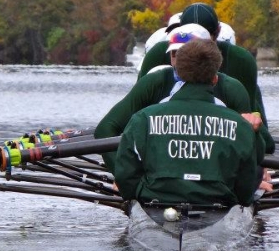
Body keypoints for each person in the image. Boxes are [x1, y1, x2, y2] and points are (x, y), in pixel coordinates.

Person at [96, 23, 266, 174]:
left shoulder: (232, 88)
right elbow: (105, 129)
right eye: (175, 53)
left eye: (187, 53)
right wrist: (121, 175)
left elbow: (251, 147)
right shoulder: (155, 81)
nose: (181, 61)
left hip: (214, 175)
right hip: (161, 174)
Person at [114, 38, 259, 207]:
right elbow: (246, 188)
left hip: (154, 202)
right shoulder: (240, 125)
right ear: (215, 78)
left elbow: (125, 176)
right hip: (219, 203)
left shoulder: (143, 119)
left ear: (178, 73)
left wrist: (139, 196)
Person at [138, 3, 270, 145]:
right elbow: (132, 119)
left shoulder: (241, 62)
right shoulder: (157, 56)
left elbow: (253, 127)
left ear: (217, 33)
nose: (196, 52)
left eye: (204, 42)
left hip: (222, 138)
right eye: (188, 44)